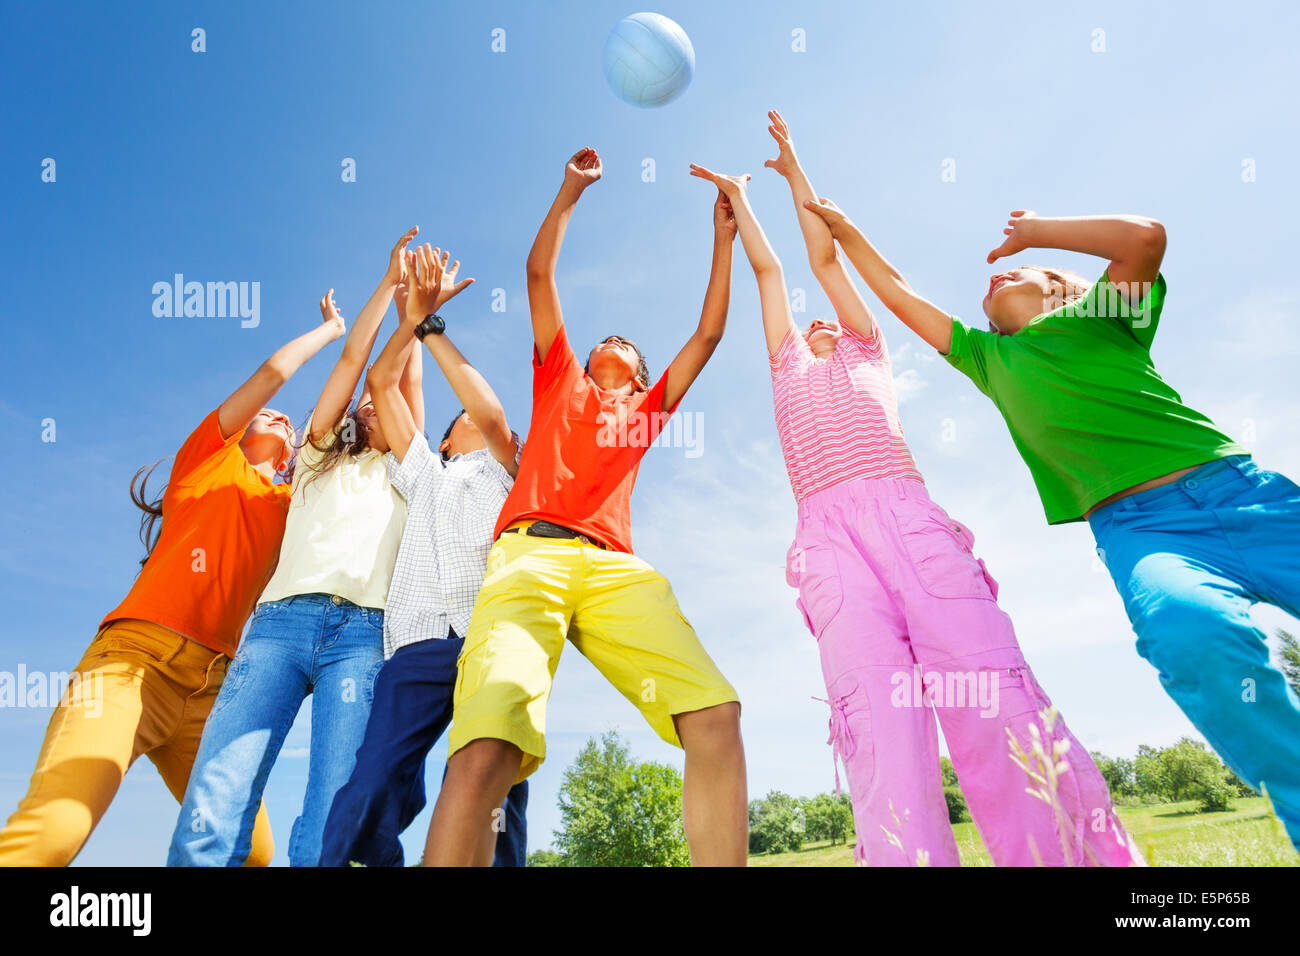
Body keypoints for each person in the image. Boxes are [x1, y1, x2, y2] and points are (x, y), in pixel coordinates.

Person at [688, 113, 1140, 867]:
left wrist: (795, 170)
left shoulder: (868, 345)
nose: (823, 320)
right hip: (830, 545)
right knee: (877, 724)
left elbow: (824, 257)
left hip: (905, 516)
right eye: (813, 321)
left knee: (988, 694)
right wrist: (736, 211)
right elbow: (773, 276)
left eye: (833, 314)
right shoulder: (784, 365)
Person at [803, 188, 1300, 855]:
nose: (995, 276)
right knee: (1187, 634)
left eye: (1021, 272)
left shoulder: (1105, 317)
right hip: (1143, 533)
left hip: (1244, 497)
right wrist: (850, 230)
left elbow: (1143, 239)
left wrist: (1038, 232)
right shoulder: (988, 358)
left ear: (1066, 291)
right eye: (993, 277)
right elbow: (895, 293)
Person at [423, 148, 747, 866]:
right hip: (526, 557)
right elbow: (539, 274)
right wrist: (570, 191)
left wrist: (721, 240)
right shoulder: (561, 379)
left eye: (628, 344)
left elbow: (709, 335)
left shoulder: (644, 415)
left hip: (613, 570)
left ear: (637, 375)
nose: (613, 340)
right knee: (486, 752)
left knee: (716, 715)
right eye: (608, 337)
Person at [167, 227, 465, 866]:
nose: (370, 402)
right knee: (217, 794)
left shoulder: (412, 475)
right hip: (278, 627)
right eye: (364, 403)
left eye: (383, 404)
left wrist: (416, 316)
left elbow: (396, 379)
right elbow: (354, 361)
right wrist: (389, 285)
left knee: (331, 813)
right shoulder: (315, 459)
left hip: (363, 637)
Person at [0, 308, 340, 866]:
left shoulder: (288, 508)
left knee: (253, 854)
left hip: (213, 692)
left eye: (287, 422)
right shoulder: (205, 462)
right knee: (56, 829)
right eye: (266, 416)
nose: (278, 418)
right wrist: (329, 331)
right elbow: (272, 374)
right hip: (133, 664)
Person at [320, 243, 529, 867]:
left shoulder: (507, 469)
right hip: (416, 642)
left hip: (492, 637)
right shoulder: (424, 471)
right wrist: (410, 315)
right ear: (443, 435)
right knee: (376, 773)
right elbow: (383, 380)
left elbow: (493, 417)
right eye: (460, 413)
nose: (492, 420)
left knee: (499, 790)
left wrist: (433, 323)